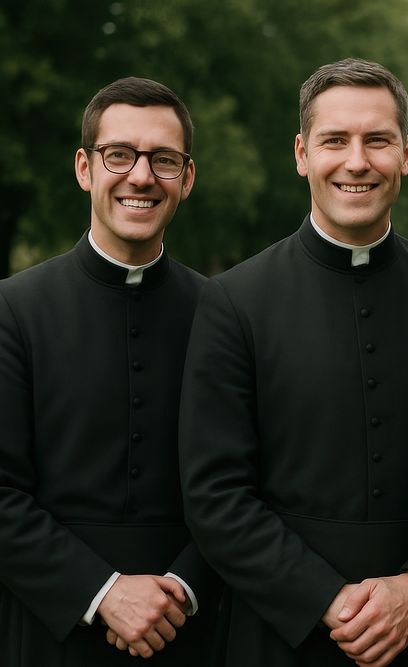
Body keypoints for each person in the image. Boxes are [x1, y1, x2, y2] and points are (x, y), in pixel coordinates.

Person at [178, 58, 408, 667]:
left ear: (406, 153)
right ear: (301, 154)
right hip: (276, 636)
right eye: (335, 140)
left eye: (378, 140)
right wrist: (322, 598)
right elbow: (215, 494)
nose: (357, 162)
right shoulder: (234, 300)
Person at [0, 77, 217, 665]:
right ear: (84, 168)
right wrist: (102, 593)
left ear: (187, 178)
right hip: (49, 633)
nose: (141, 177)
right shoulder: (13, 309)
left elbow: (244, 483)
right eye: (119, 154)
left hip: (189, 631)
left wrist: (184, 588)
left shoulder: (222, 313)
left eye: (164, 160)